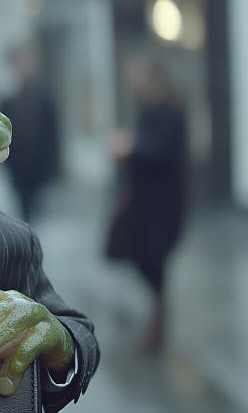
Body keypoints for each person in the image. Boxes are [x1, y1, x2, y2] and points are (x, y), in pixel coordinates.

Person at [112, 59, 188, 350]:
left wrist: (131, 148)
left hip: (165, 203)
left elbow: (160, 149)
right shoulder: (147, 108)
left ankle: (159, 322)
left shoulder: (172, 110)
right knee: (145, 258)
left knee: (154, 259)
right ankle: (158, 315)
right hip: (145, 201)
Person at [0, 46, 59, 222]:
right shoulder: (9, 98)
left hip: (37, 166)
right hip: (18, 167)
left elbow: (52, 133)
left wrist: (53, 165)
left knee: (35, 209)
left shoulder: (43, 95)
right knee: (23, 208)